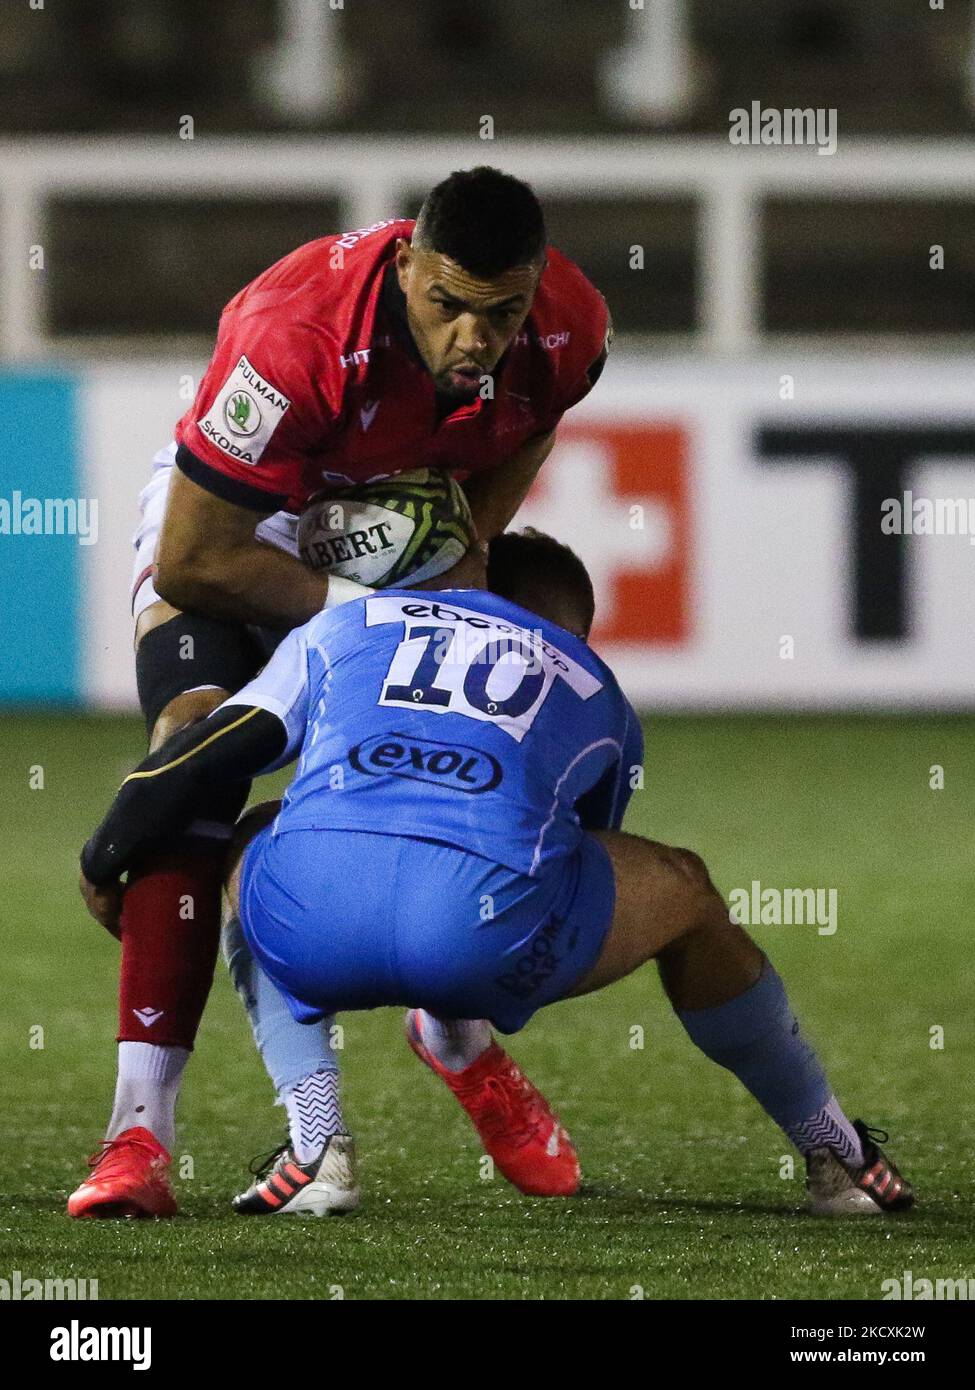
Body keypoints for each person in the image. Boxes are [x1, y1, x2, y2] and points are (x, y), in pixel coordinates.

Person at [80, 530, 914, 1218]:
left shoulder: (347, 626)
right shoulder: (593, 682)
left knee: (256, 830)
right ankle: (835, 1155)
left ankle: (318, 1146)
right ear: (571, 625)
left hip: (307, 923)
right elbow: (575, 850)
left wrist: (104, 859)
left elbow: (200, 757)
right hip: (485, 939)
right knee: (684, 889)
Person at [68, 166, 612, 1218]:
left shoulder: (570, 329)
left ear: (535, 292)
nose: (470, 338)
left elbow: (537, 419)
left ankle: (453, 1034)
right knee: (195, 748)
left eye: (497, 316)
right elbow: (190, 560)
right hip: (248, 531)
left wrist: (473, 540)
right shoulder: (296, 336)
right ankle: (138, 1137)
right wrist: (362, 608)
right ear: (406, 263)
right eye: (445, 304)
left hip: (394, 540)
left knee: (448, 773)